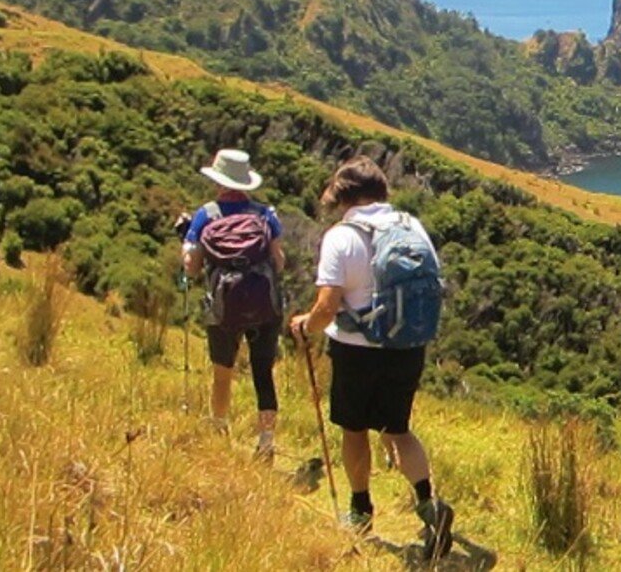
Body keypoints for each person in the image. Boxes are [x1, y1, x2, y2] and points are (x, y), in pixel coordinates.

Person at [289, 157, 453, 555]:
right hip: (407, 346)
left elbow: (327, 307)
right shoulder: (411, 226)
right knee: (398, 428)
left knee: (354, 429)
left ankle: (360, 509)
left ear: (343, 196)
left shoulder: (341, 237)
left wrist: (303, 325)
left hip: (358, 350)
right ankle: (428, 503)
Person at [180, 147, 285, 456]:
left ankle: (219, 427)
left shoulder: (205, 215)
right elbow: (279, 262)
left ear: (218, 180)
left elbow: (191, 265)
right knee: (263, 372)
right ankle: (266, 441)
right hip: (265, 306)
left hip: (223, 305)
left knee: (222, 372)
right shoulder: (265, 215)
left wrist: (184, 243)